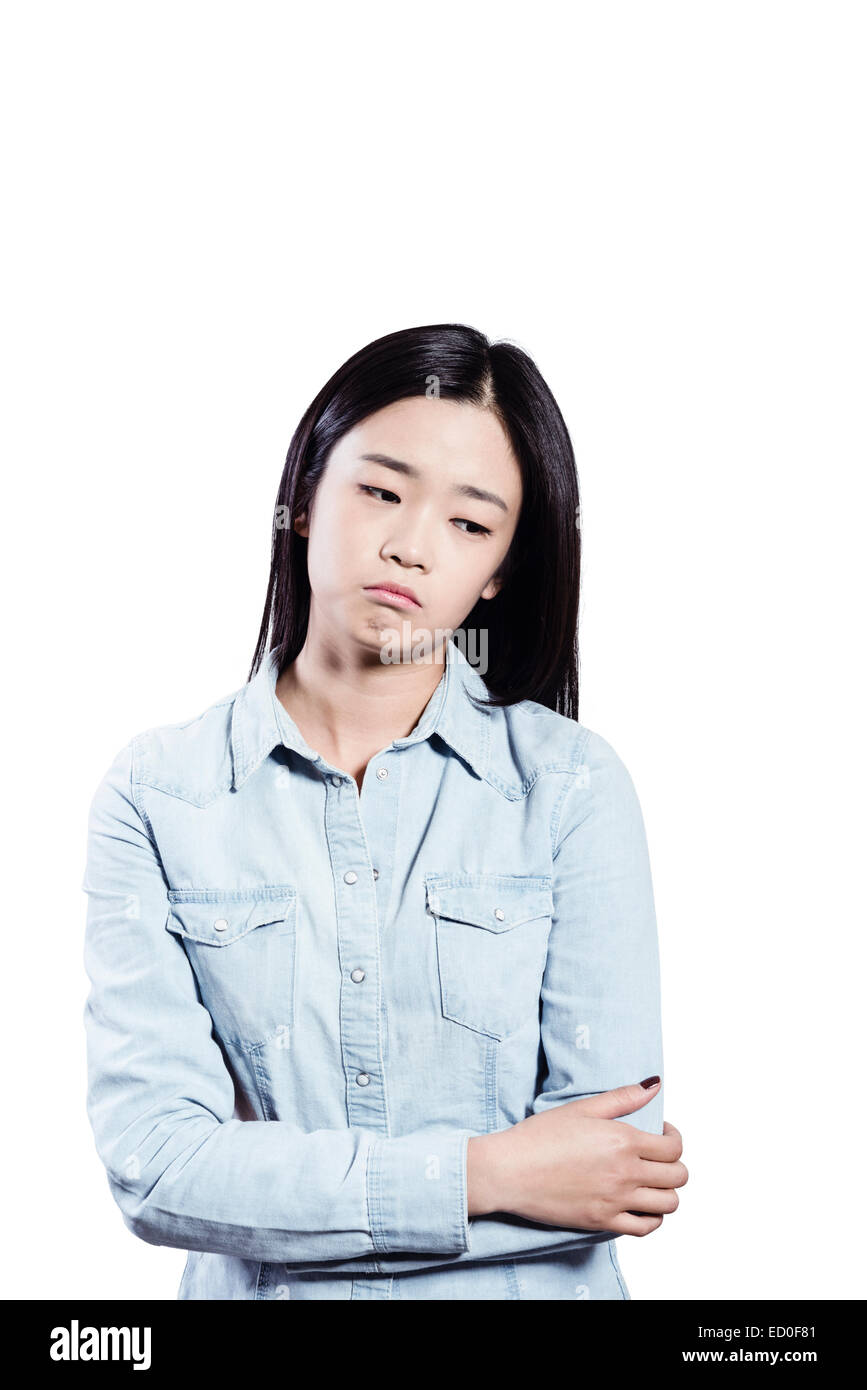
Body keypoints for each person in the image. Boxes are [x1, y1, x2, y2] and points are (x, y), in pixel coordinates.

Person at [82, 322, 688, 1301]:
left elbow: (610, 1171)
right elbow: (157, 1169)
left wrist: (278, 1204)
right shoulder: (161, 795)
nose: (411, 544)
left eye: (469, 522)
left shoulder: (570, 787)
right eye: (381, 490)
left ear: (498, 569)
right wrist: (487, 1175)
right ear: (305, 498)